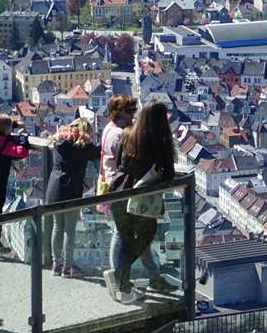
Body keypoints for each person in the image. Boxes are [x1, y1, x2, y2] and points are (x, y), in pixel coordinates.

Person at [106, 100, 177, 304]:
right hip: (141, 198)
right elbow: (168, 173)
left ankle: (124, 282)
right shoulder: (159, 140)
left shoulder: (127, 133)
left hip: (118, 191)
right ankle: (121, 277)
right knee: (144, 237)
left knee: (125, 237)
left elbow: (119, 162)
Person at [96, 95, 159, 280]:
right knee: (123, 233)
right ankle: (118, 276)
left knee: (135, 232)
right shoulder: (119, 134)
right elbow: (131, 160)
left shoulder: (109, 129)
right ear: (118, 112)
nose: (132, 116)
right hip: (123, 188)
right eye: (129, 111)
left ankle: (153, 275)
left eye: (133, 111)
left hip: (114, 184)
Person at [43, 117, 98, 276]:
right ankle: (68, 267)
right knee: (69, 230)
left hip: (54, 188)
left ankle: (56, 264)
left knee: (57, 227)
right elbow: (99, 150)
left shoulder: (59, 142)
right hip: (71, 190)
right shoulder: (84, 147)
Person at [0, 114, 30, 211]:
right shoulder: (4, 144)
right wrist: (23, 137)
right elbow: (22, 152)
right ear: (6, 130)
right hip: (0, 180)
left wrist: (15, 125)